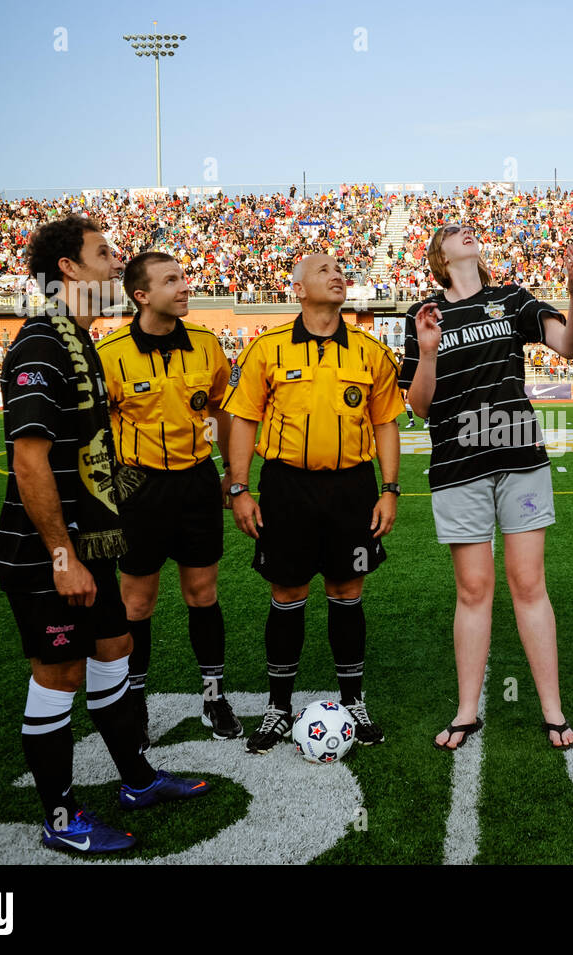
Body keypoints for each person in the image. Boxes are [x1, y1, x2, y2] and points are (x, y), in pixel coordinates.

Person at [0, 215, 209, 855]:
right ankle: (60, 817)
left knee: (115, 648)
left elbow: (89, 454)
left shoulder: (83, 341)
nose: (116, 263)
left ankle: (137, 780)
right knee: (59, 673)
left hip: (92, 542)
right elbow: (30, 460)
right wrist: (63, 557)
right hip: (47, 552)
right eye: (104, 253)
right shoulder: (40, 343)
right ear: (68, 268)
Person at [401, 223, 573, 751]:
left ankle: (552, 710)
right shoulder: (423, 315)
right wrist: (429, 350)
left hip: (520, 460)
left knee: (529, 585)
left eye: (470, 229)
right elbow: (417, 406)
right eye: (454, 232)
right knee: (473, 590)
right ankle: (467, 712)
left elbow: (570, 347)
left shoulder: (511, 299)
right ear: (439, 256)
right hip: (457, 467)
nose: (468, 232)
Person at [224, 253, 402, 754]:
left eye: (342, 270)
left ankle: (353, 700)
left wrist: (389, 489)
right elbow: (243, 419)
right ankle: (279, 707)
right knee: (287, 592)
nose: (338, 275)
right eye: (325, 271)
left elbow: (387, 423)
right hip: (286, 487)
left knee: (348, 590)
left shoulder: (371, 352)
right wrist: (239, 487)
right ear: (299, 289)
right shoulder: (267, 349)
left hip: (353, 487)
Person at [96, 251, 240, 750]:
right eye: (172, 280)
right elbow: (93, 433)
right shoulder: (110, 352)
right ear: (141, 295)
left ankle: (213, 696)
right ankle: (135, 701)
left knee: (203, 592)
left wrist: (228, 472)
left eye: (184, 278)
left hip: (197, 481)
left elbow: (222, 409)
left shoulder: (205, 343)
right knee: (138, 601)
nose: (185, 287)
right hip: (139, 486)